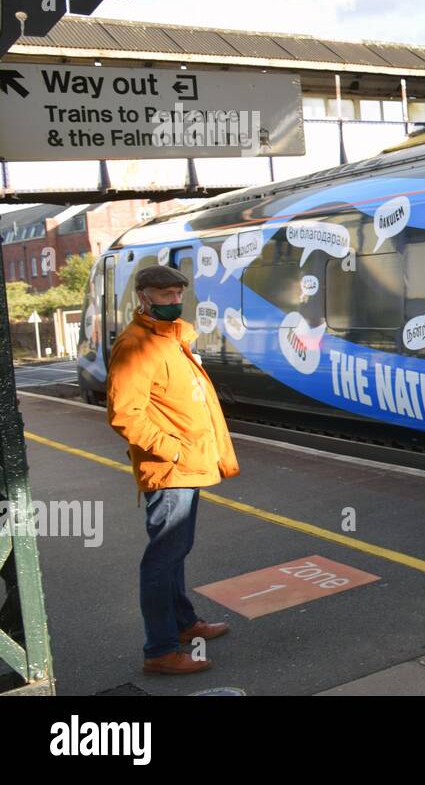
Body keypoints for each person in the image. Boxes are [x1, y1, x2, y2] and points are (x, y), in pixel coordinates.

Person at [105, 264, 240, 676]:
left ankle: (182, 624)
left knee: (176, 551)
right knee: (162, 558)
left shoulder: (170, 339)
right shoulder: (136, 344)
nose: (174, 301)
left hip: (188, 464)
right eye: (164, 295)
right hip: (171, 469)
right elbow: (125, 414)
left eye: (178, 294)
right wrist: (176, 451)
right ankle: (160, 650)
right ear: (143, 297)